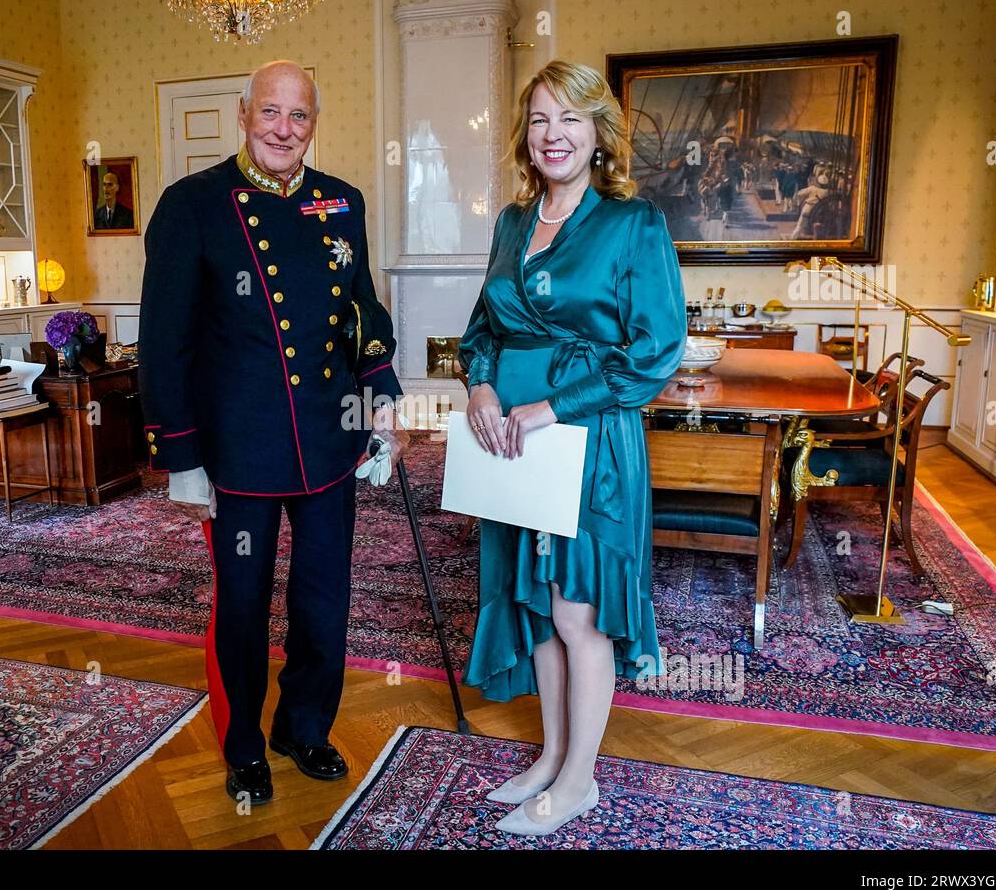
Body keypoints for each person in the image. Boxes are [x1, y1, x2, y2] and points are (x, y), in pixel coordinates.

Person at [138, 60, 404, 806]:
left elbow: (363, 315)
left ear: (315, 122)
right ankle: (243, 744)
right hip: (238, 452)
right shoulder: (193, 205)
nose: (285, 130)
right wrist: (181, 455)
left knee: (323, 599)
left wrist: (379, 401)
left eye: (300, 116)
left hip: (327, 443)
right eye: (271, 113)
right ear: (242, 113)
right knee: (245, 606)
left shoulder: (341, 201)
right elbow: (165, 341)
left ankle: (304, 727)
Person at [458, 60, 686, 837]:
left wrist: (556, 405)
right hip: (514, 449)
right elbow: (481, 331)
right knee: (542, 608)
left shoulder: (633, 224)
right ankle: (554, 757)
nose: (553, 135)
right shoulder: (512, 224)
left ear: (599, 135)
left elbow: (658, 350)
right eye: (539, 120)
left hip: (590, 446)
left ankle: (581, 780)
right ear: (525, 137)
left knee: (577, 613)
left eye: (571, 120)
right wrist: (483, 387)